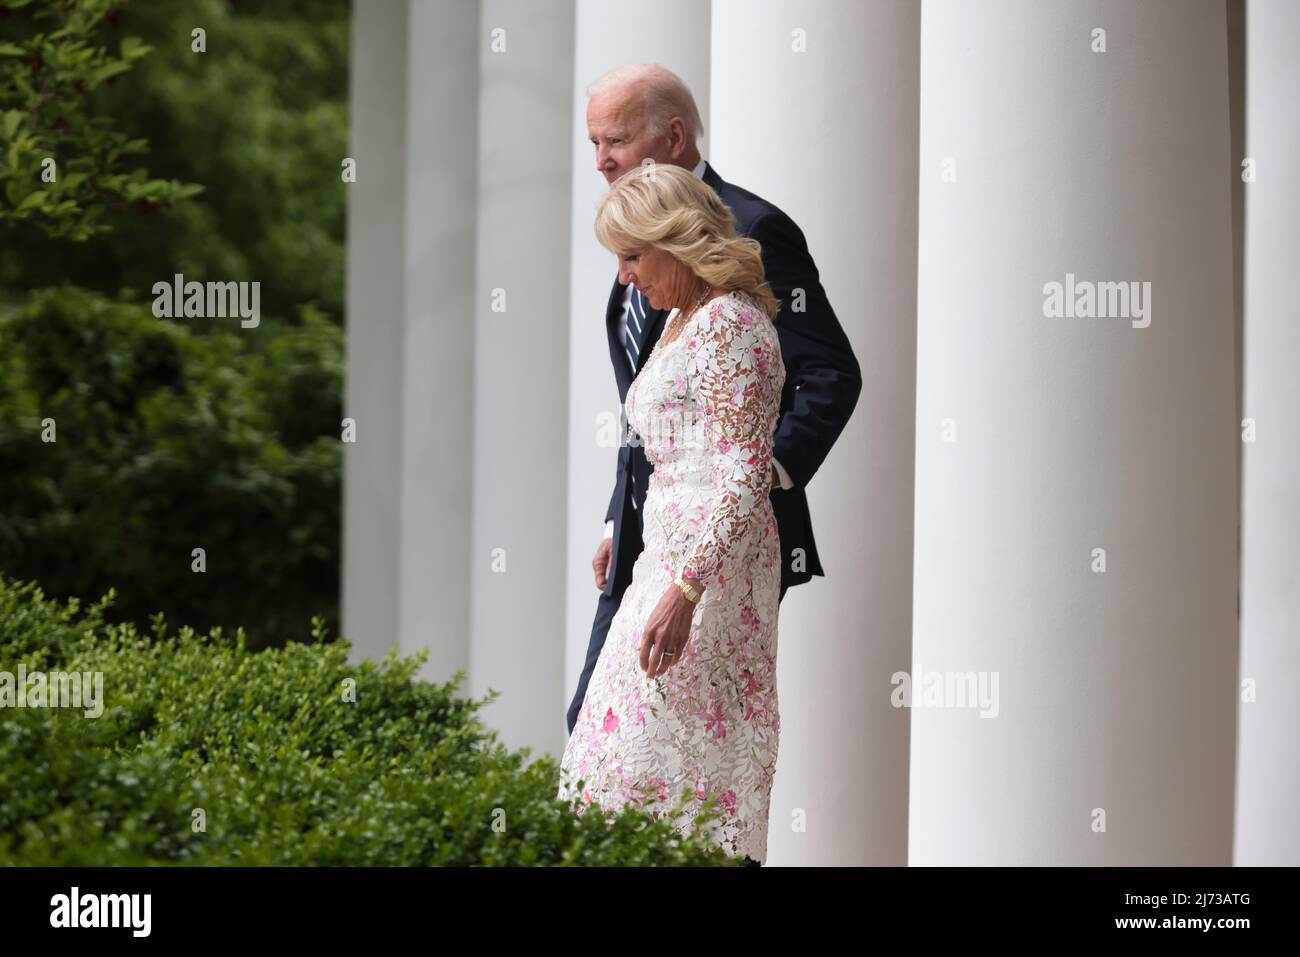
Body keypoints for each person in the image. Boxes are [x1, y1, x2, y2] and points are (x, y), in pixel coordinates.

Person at [565, 64, 862, 865]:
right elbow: (660, 416)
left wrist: (763, 482)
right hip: (655, 536)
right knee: (605, 745)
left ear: (672, 136)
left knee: (670, 765)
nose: (601, 157)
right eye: (594, 141)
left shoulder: (751, 238)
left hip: (715, 553)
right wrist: (620, 515)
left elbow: (827, 375)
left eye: (616, 138)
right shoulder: (659, 276)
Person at [557, 163, 786, 864]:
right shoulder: (681, 318)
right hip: (662, 563)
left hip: (709, 579)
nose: (625, 277)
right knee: (609, 761)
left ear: (677, 240)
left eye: (632, 255)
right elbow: (665, 450)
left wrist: (687, 589)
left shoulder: (732, 324)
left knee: (677, 780)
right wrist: (620, 534)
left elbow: (746, 468)